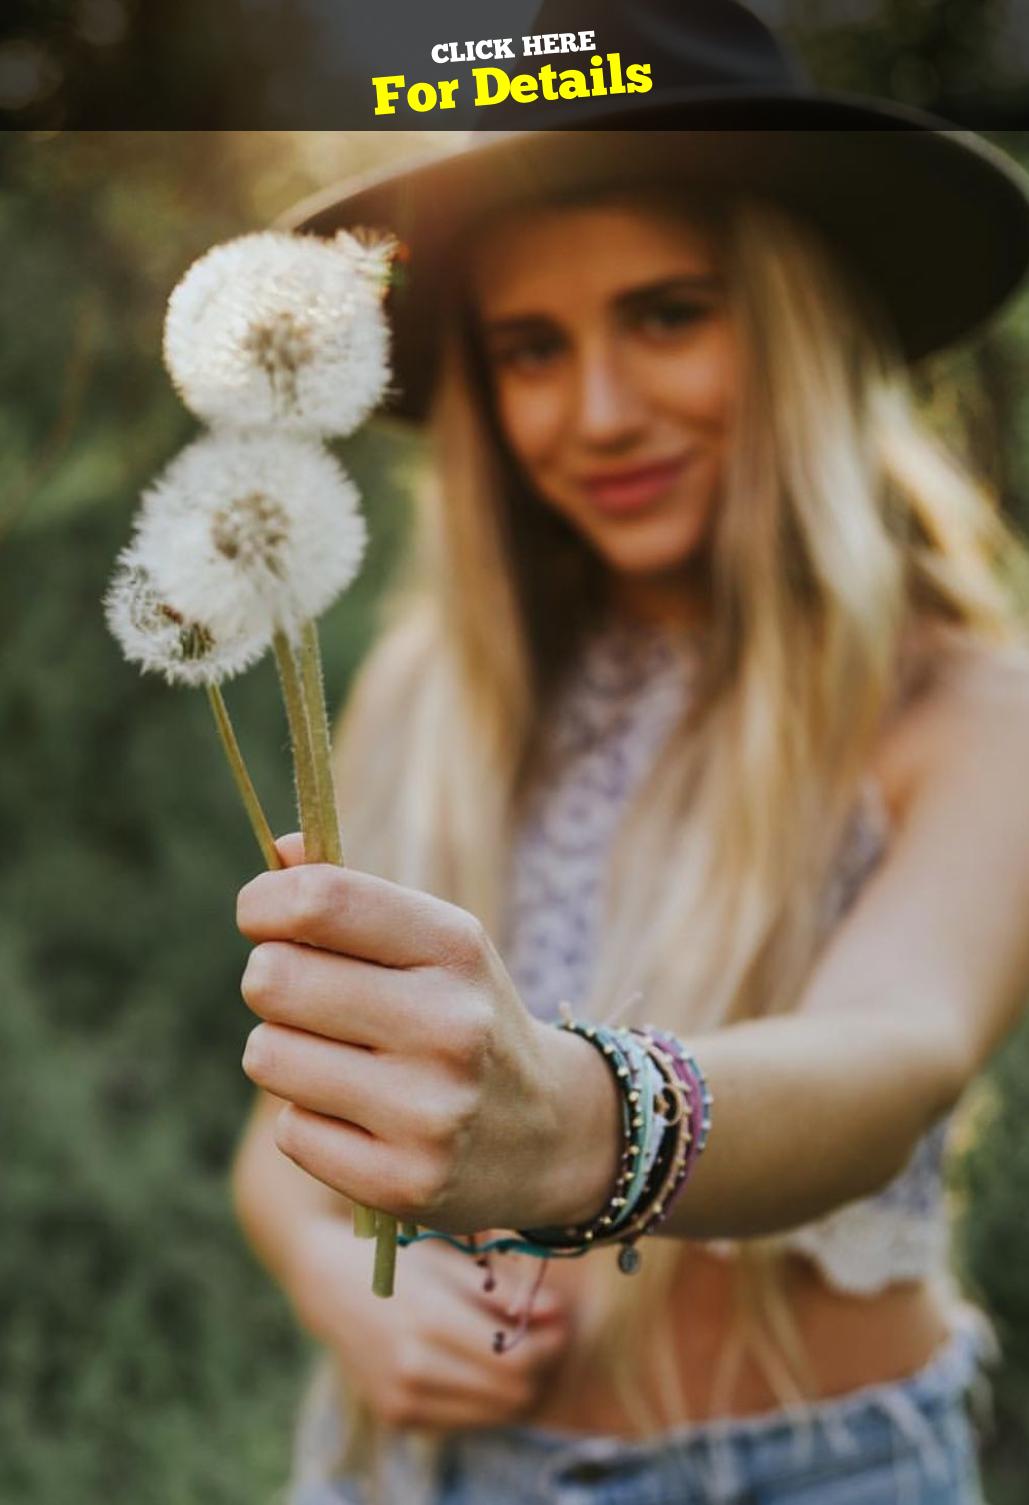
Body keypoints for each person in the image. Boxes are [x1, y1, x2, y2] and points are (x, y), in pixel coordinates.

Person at [229, 4, 1029, 1502]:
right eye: (531, 347)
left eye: (669, 313)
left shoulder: (975, 711)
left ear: (797, 324)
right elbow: (289, 1106)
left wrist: (574, 1118)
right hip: (432, 1468)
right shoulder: (432, 695)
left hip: (809, 1469)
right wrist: (337, 1285)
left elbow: (893, 1050)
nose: (596, 413)